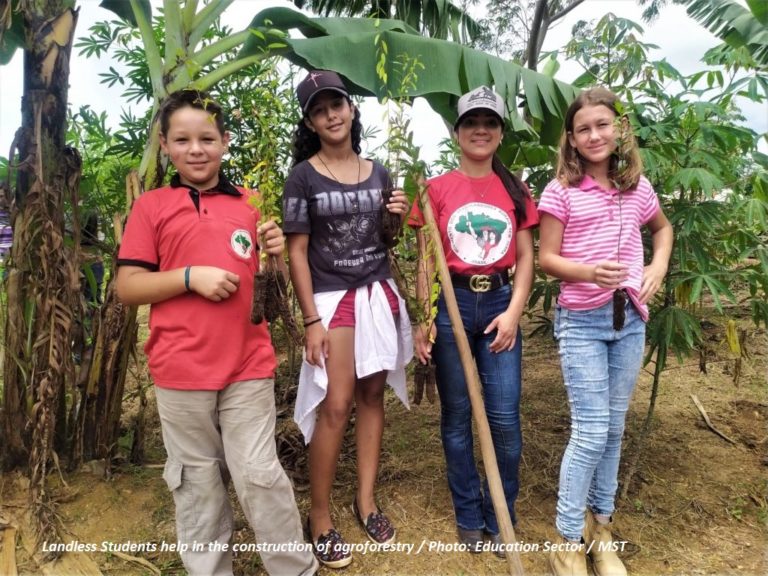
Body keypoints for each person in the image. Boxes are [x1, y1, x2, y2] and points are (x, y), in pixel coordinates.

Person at [115, 90, 317, 576]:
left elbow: (273, 291)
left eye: (207, 138)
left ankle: (295, 568)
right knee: (196, 481)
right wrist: (190, 276)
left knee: (259, 474)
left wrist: (274, 255)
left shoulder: (249, 204)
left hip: (246, 366)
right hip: (179, 371)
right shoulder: (152, 207)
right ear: (165, 145)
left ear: (225, 141)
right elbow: (128, 286)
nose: (196, 149)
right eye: (183, 139)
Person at [538, 86, 673, 576]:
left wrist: (657, 264)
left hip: (630, 318)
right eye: (583, 129)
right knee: (591, 430)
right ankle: (567, 538)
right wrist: (589, 271)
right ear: (571, 141)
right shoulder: (560, 190)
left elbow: (662, 228)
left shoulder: (636, 186)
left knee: (613, 429)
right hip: (582, 322)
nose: (594, 135)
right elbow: (547, 258)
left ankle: (602, 529)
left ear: (620, 129)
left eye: (603, 124)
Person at [283, 70, 412, 569]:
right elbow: (297, 253)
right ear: (311, 122)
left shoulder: (378, 172)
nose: (331, 114)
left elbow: (387, 239)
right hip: (332, 299)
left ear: (352, 110)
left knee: (372, 395)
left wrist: (396, 216)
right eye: (319, 109)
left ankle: (366, 500)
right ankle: (319, 516)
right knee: (335, 404)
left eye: (337, 104)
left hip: (378, 293)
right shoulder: (303, 176)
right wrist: (310, 318)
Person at [409, 86, 538, 556]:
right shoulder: (435, 190)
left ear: (500, 133)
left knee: (504, 418)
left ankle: (501, 512)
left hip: (500, 301)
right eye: (471, 123)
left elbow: (526, 257)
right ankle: (468, 515)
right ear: (458, 132)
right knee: (457, 417)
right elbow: (427, 260)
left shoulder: (515, 189)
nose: (480, 130)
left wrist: (514, 312)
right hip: (452, 307)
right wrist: (422, 319)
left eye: (490, 122)